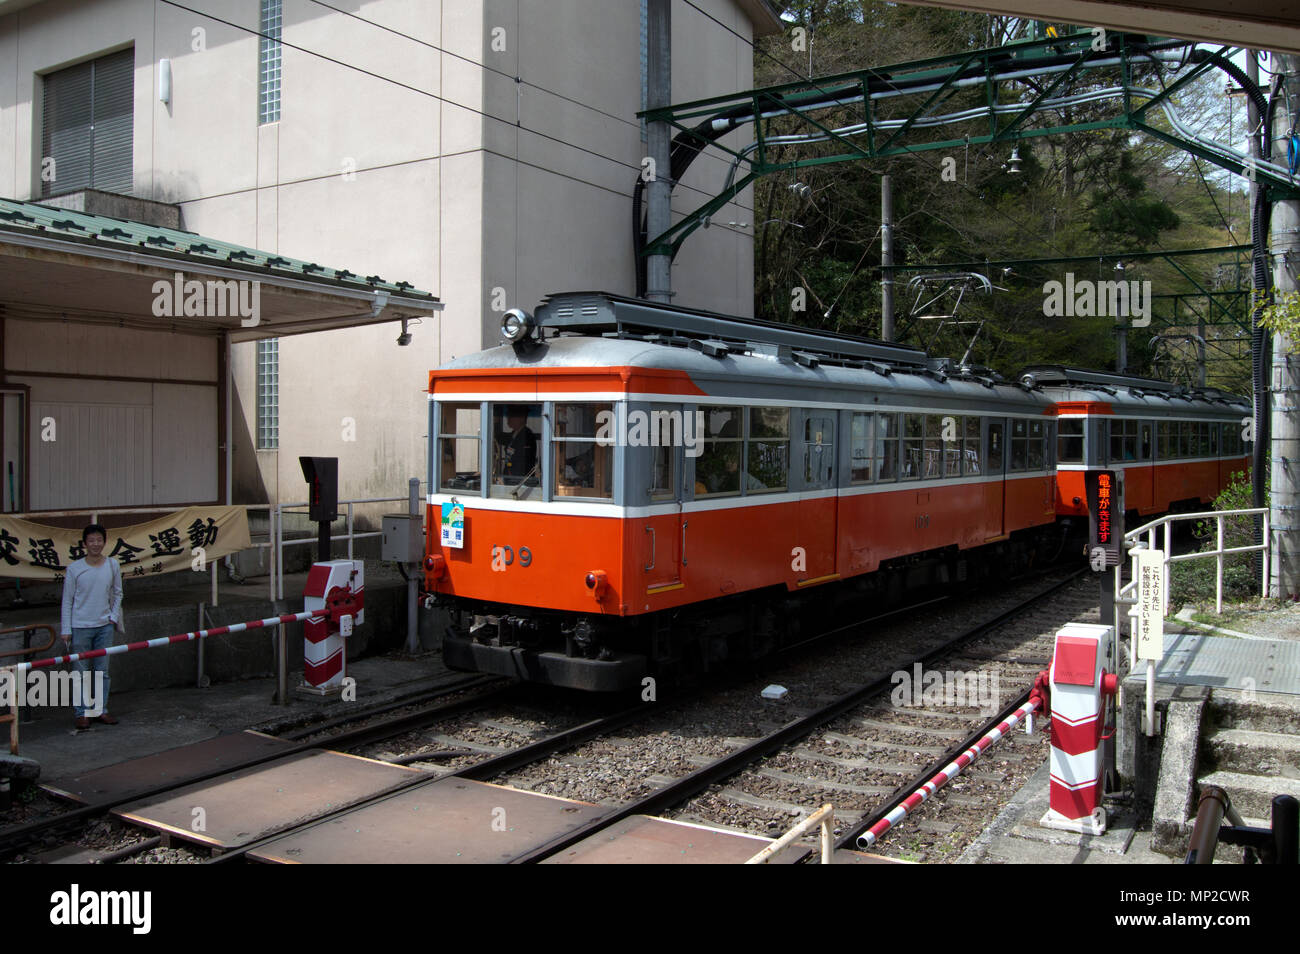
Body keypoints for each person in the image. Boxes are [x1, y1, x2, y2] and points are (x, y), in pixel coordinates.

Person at [60, 524, 122, 730]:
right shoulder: (74, 569)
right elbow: (67, 601)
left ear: (104, 542)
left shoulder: (112, 565)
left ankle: (101, 710)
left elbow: (118, 592)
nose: (96, 544)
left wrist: (113, 616)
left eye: (99, 540)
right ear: (85, 544)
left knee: (102, 671)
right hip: (80, 627)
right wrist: (66, 629)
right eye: (91, 540)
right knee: (80, 672)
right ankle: (82, 713)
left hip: (104, 626)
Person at [500, 406, 538, 482]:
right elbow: (500, 438)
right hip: (510, 479)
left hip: (520, 482)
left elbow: (522, 463)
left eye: (512, 416)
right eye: (508, 416)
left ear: (522, 418)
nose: (508, 418)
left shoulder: (527, 436)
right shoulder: (514, 434)